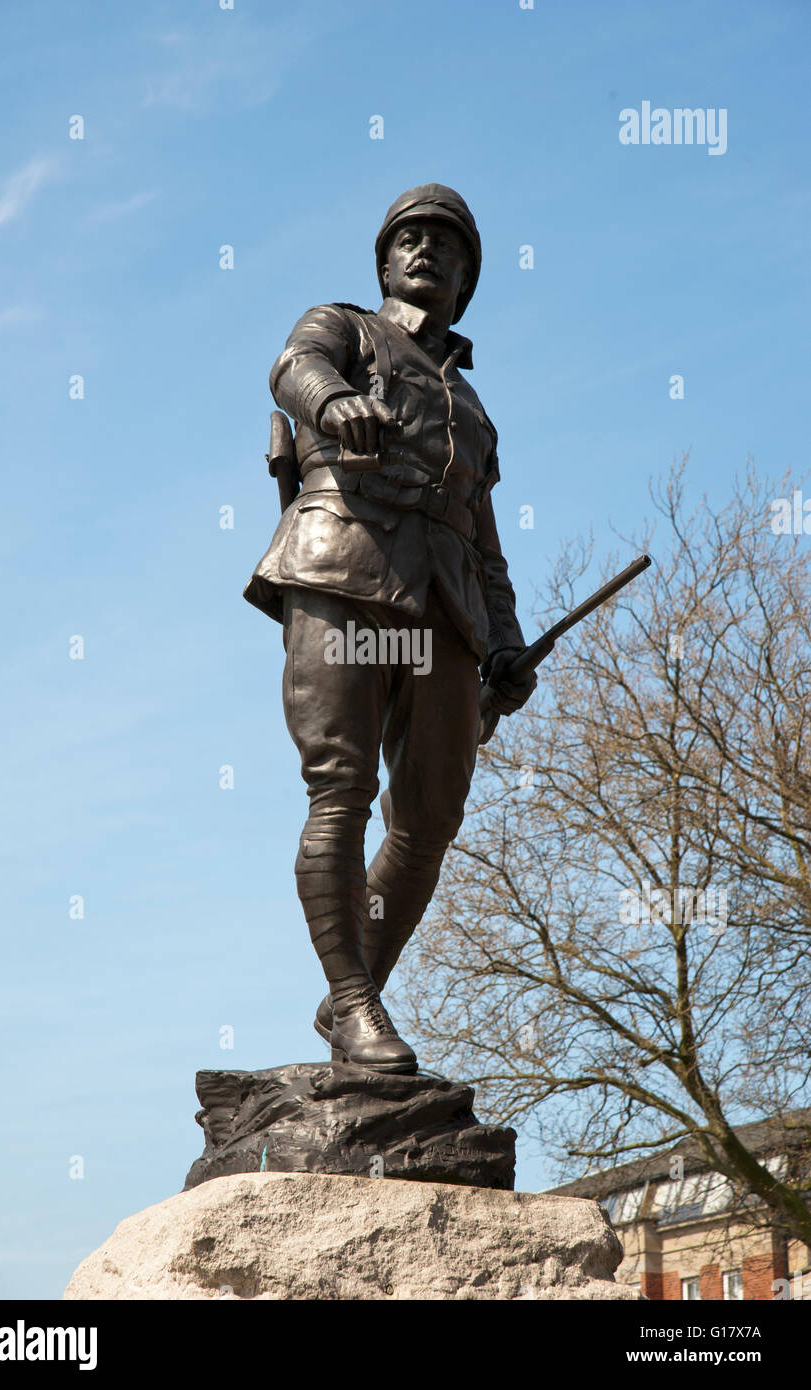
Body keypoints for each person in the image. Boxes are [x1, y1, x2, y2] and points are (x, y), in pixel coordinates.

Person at [244, 184, 536, 1072]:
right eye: (409, 238)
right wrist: (333, 401)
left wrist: (505, 640)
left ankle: (349, 989)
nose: (426, 251)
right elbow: (293, 366)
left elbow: (484, 543)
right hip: (342, 566)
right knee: (340, 788)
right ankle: (358, 1001)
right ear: (383, 261)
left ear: (466, 279)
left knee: (430, 818)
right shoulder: (344, 328)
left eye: (447, 245)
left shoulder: (474, 412)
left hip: (444, 611)